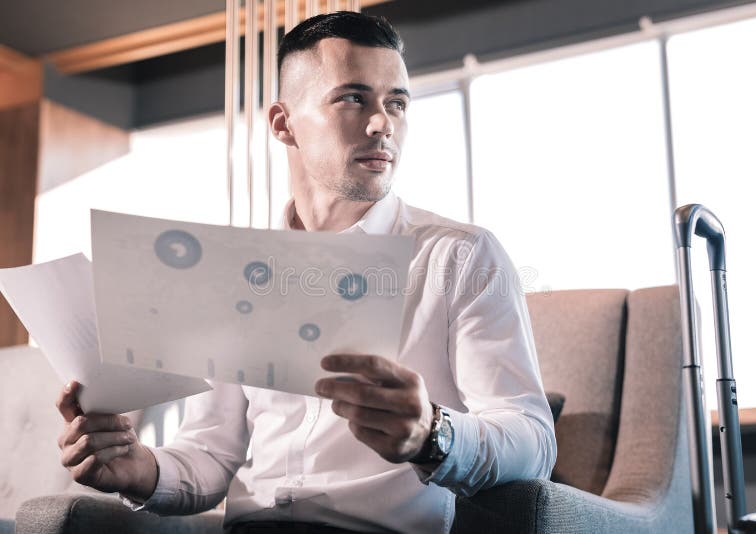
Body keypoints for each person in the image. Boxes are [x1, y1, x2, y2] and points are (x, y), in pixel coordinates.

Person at [55, 12, 556, 533]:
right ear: (282, 122)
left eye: (397, 103)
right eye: (353, 98)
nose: (383, 123)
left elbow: (533, 442)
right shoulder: (236, 273)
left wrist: (433, 434)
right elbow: (209, 455)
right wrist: (139, 470)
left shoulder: (462, 256)